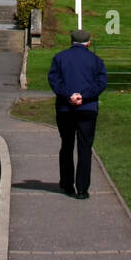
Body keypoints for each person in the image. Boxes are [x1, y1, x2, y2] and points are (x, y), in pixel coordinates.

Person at [47, 28, 108, 199]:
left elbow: (54, 80)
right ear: (88, 43)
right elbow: (101, 82)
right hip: (87, 109)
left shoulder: (59, 58)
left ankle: (67, 184)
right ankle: (82, 188)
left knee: (66, 145)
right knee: (85, 148)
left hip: (65, 109)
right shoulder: (96, 60)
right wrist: (84, 95)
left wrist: (69, 95)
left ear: (71, 42)